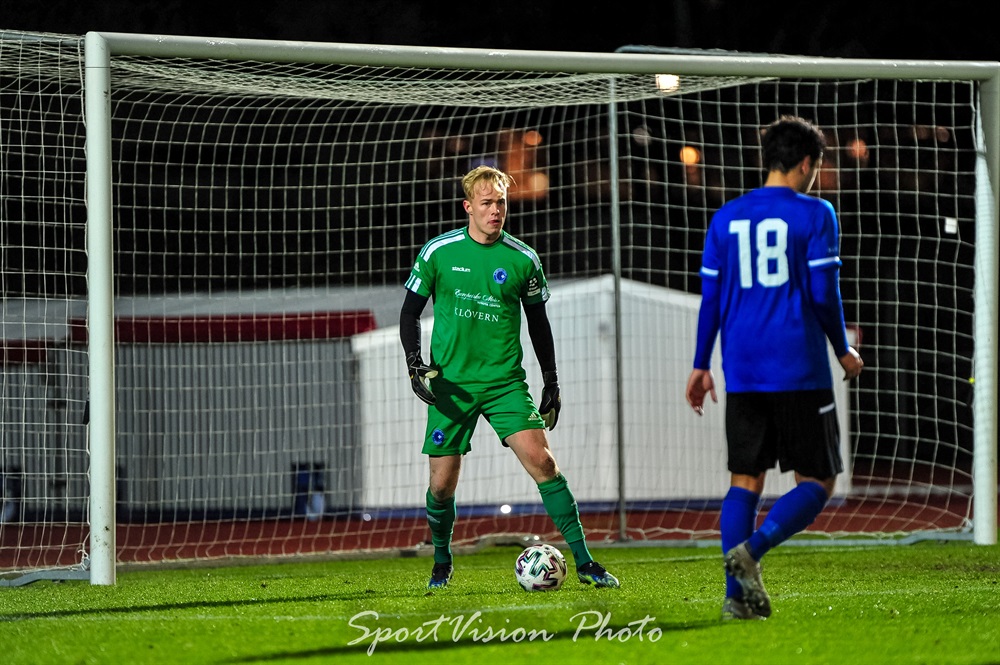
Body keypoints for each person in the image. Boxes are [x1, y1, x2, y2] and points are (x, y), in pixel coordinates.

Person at [399, 165, 620, 590]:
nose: (496, 210)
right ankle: (442, 563)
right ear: (468, 207)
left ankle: (587, 563)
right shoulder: (438, 252)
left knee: (545, 463)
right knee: (441, 486)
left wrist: (551, 379)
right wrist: (414, 362)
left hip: (504, 384)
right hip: (452, 385)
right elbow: (410, 312)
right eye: (486, 203)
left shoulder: (523, 259)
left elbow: (539, 324)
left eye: (501, 202)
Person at [685, 116, 863, 620]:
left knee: (746, 481)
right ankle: (753, 552)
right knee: (818, 480)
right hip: (798, 367)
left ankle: (734, 599)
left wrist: (701, 365)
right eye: (817, 168)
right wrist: (842, 349)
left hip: (742, 369)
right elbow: (823, 293)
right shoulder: (815, 213)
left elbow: (712, 300)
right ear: (806, 163)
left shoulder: (726, 217)